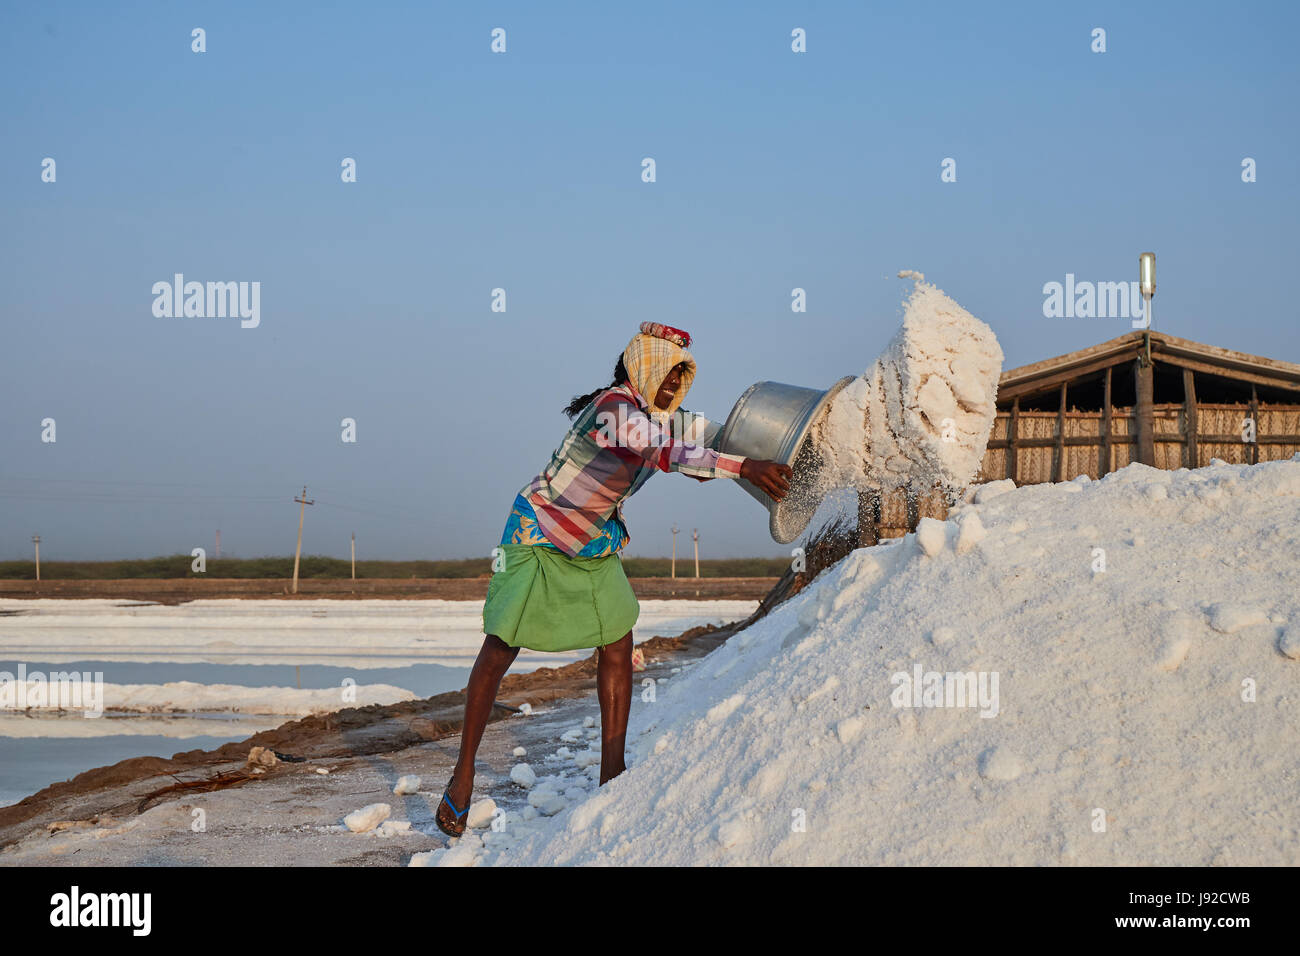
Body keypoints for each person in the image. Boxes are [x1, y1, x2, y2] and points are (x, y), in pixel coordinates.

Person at [436, 321, 792, 837]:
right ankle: (463, 772)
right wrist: (743, 468)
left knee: (619, 643)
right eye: (667, 376)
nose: (672, 388)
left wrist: (782, 451)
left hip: (593, 541)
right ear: (642, 369)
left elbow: (717, 439)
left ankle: (611, 773)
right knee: (501, 646)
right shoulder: (614, 410)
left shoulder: (663, 418)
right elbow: (663, 453)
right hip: (540, 530)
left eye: (680, 380)